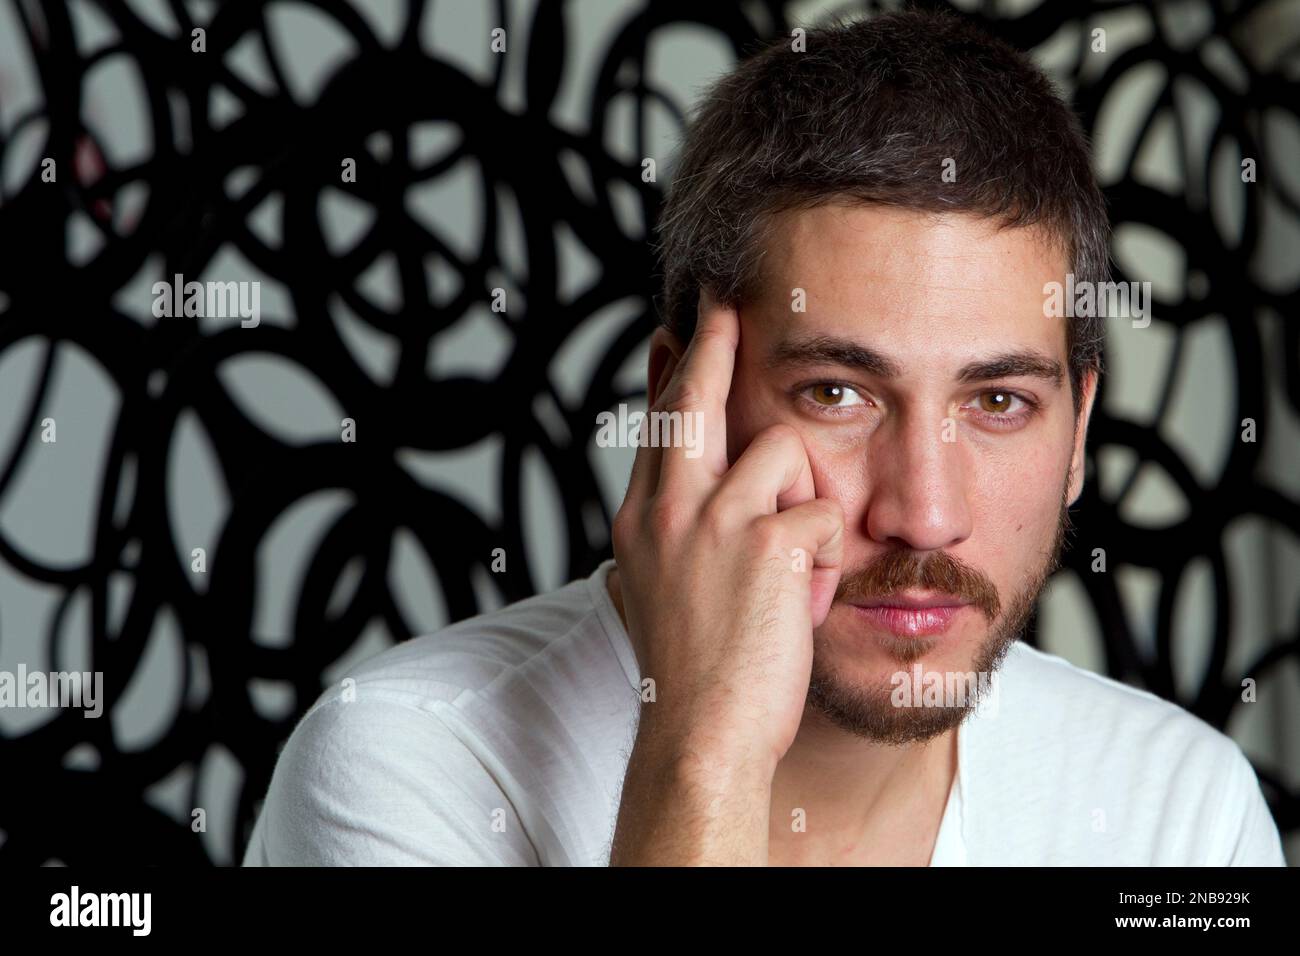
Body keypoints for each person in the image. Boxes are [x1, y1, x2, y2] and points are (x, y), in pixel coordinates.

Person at [242, 10, 1286, 866]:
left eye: (998, 402)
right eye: (837, 391)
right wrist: (706, 755)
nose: (923, 510)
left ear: (1079, 434)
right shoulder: (409, 765)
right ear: (678, 409)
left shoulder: (1175, 813)